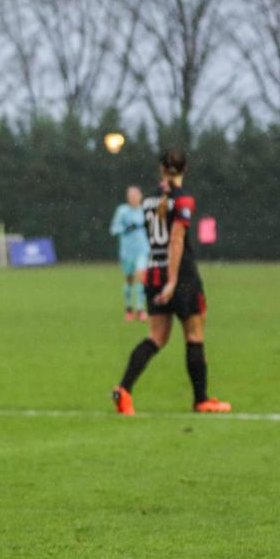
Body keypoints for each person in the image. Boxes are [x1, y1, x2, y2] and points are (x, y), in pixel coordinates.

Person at [111, 150, 230, 416]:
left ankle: (124, 389)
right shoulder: (182, 199)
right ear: (184, 168)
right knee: (194, 335)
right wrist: (173, 280)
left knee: (156, 338)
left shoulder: (150, 200)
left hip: (153, 270)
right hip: (179, 274)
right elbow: (176, 239)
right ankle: (201, 400)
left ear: (161, 169)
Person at [110, 186, 149, 321]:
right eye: (130, 196)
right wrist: (126, 228)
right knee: (129, 279)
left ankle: (140, 309)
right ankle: (128, 309)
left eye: (135, 195)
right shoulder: (122, 211)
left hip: (142, 250)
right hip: (127, 252)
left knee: (141, 276)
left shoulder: (145, 210)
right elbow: (114, 229)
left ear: (140, 196)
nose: (133, 198)